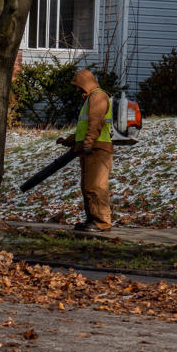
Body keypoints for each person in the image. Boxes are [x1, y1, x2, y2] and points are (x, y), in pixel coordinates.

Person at [56, 69, 113, 232]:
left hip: (98, 149)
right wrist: (68, 141)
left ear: (85, 83)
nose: (77, 90)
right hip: (90, 149)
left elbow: (95, 124)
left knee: (97, 186)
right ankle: (92, 219)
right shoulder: (90, 99)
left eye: (78, 86)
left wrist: (87, 143)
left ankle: (102, 222)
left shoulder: (98, 97)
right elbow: (84, 127)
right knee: (88, 186)